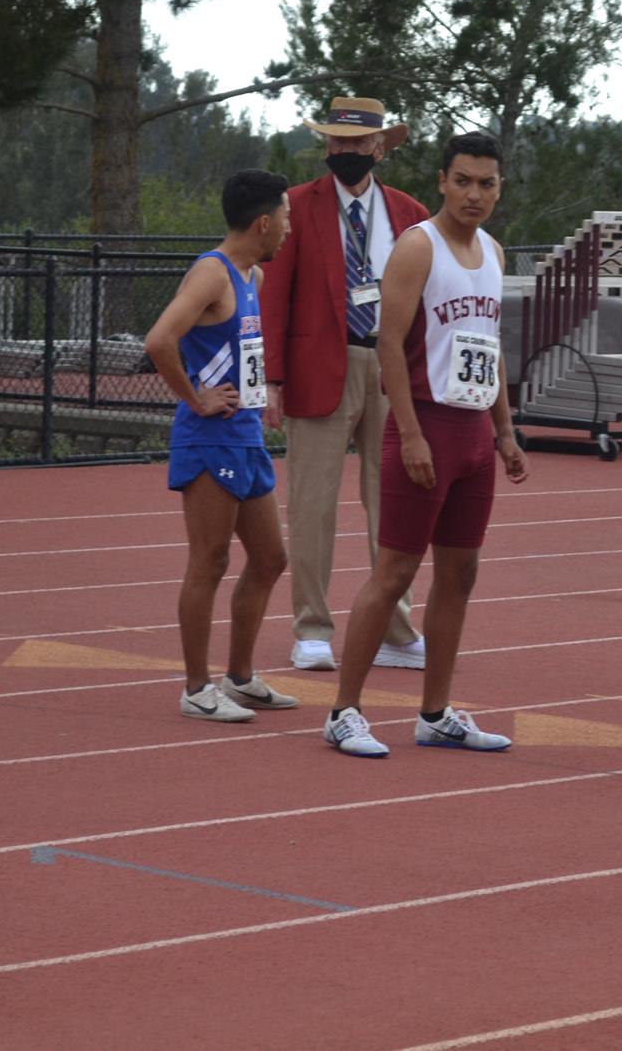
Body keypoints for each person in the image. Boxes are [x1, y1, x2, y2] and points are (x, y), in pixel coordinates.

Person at [321, 132, 529, 758]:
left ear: (499, 188)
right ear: (442, 181)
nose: (474, 194)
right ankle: (342, 712)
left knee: (460, 574)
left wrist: (505, 431)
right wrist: (408, 431)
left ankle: (435, 713)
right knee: (394, 574)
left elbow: (486, 350)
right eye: (463, 180)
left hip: (472, 434)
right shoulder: (418, 248)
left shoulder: (493, 251)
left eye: (486, 183)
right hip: (424, 426)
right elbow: (389, 344)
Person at [260, 97, 430, 672]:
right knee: (312, 507)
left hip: (393, 374)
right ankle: (311, 629)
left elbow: (430, 302)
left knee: (397, 505)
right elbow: (273, 297)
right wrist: (272, 381)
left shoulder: (411, 214)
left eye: (358, 143)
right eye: (337, 142)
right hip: (318, 372)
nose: (347, 152)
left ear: (380, 147)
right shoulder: (297, 207)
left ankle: (394, 629)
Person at [144, 169, 300, 722]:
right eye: (284, 217)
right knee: (209, 561)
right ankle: (195, 688)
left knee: (270, 558)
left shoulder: (250, 275)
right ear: (262, 222)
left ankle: (239, 677)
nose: (288, 227)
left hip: (245, 436)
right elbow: (160, 339)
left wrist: (258, 400)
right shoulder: (212, 274)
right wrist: (196, 397)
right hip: (210, 438)